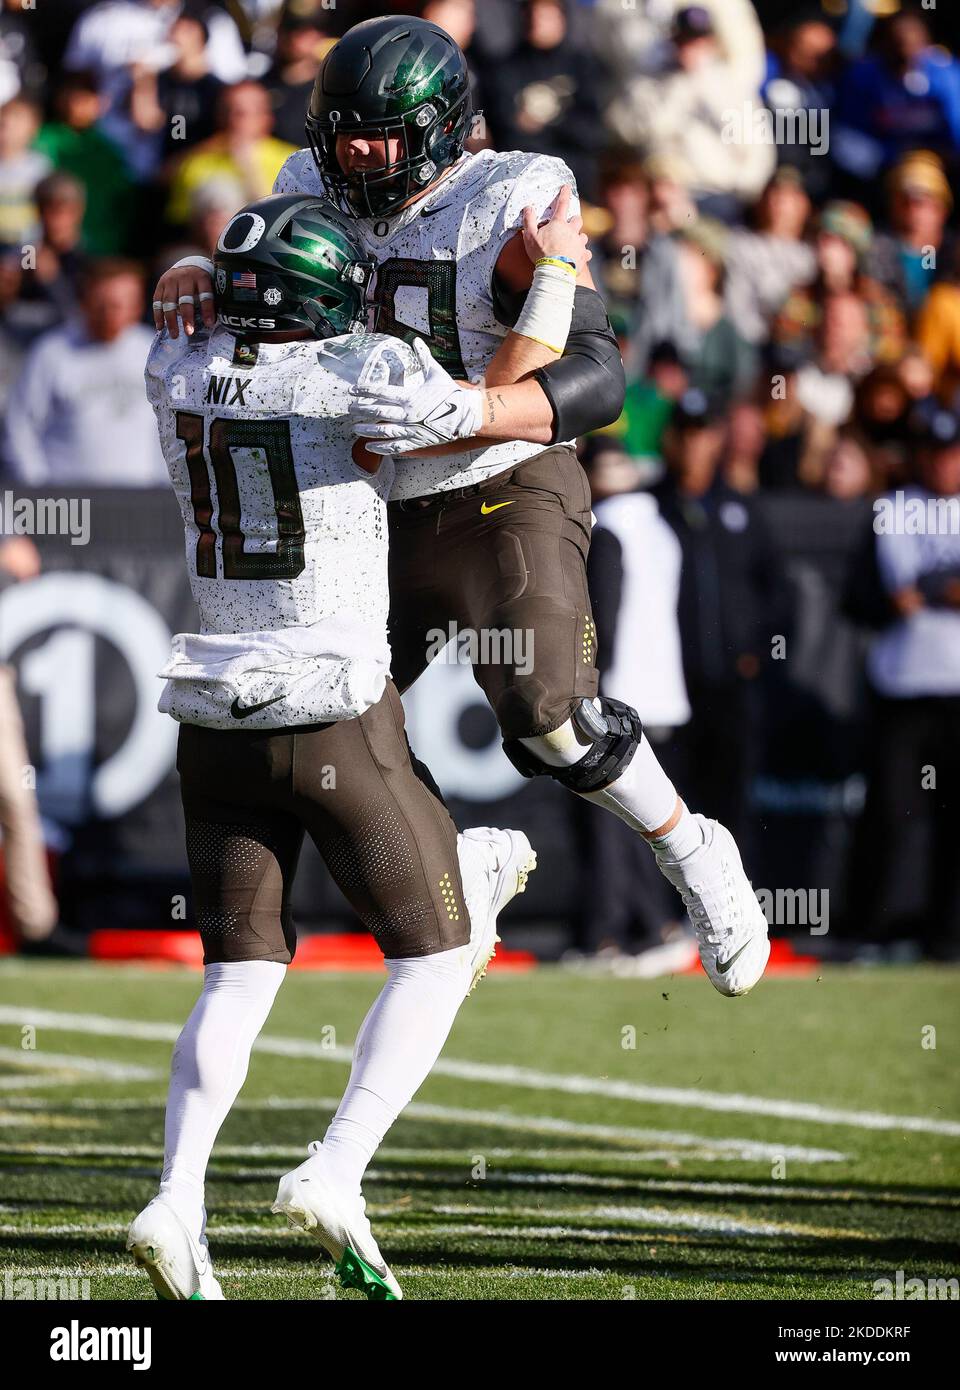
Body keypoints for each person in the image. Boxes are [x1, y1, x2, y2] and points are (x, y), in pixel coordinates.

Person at [153, 14, 770, 998]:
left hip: (501, 483)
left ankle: (691, 845)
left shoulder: (510, 197)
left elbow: (599, 376)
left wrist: (478, 406)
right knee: (339, 731)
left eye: (380, 131)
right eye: (342, 127)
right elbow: (268, 305)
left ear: (440, 129)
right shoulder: (305, 187)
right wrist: (203, 275)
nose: (355, 151)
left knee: (544, 715)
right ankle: (465, 868)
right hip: (371, 503)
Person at [127, 188, 592, 1301]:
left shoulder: (171, 366)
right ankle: (336, 1168)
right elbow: (502, 406)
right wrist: (558, 273)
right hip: (330, 700)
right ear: (320, 300)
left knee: (239, 972)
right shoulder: (360, 370)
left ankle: (176, 1199)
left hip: (211, 707)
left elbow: (203, 307)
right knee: (439, 951)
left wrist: (197, 269)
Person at [3, 257, 166, 486]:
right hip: (68, 505)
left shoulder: (155, 353)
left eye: (121, 303)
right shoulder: (52, 352)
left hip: (141, 503)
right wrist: (38, 490)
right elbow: (20, 428)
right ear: (84, 301)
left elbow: (172, 430)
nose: (111, 313)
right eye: (103, 303)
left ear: (138, 306)